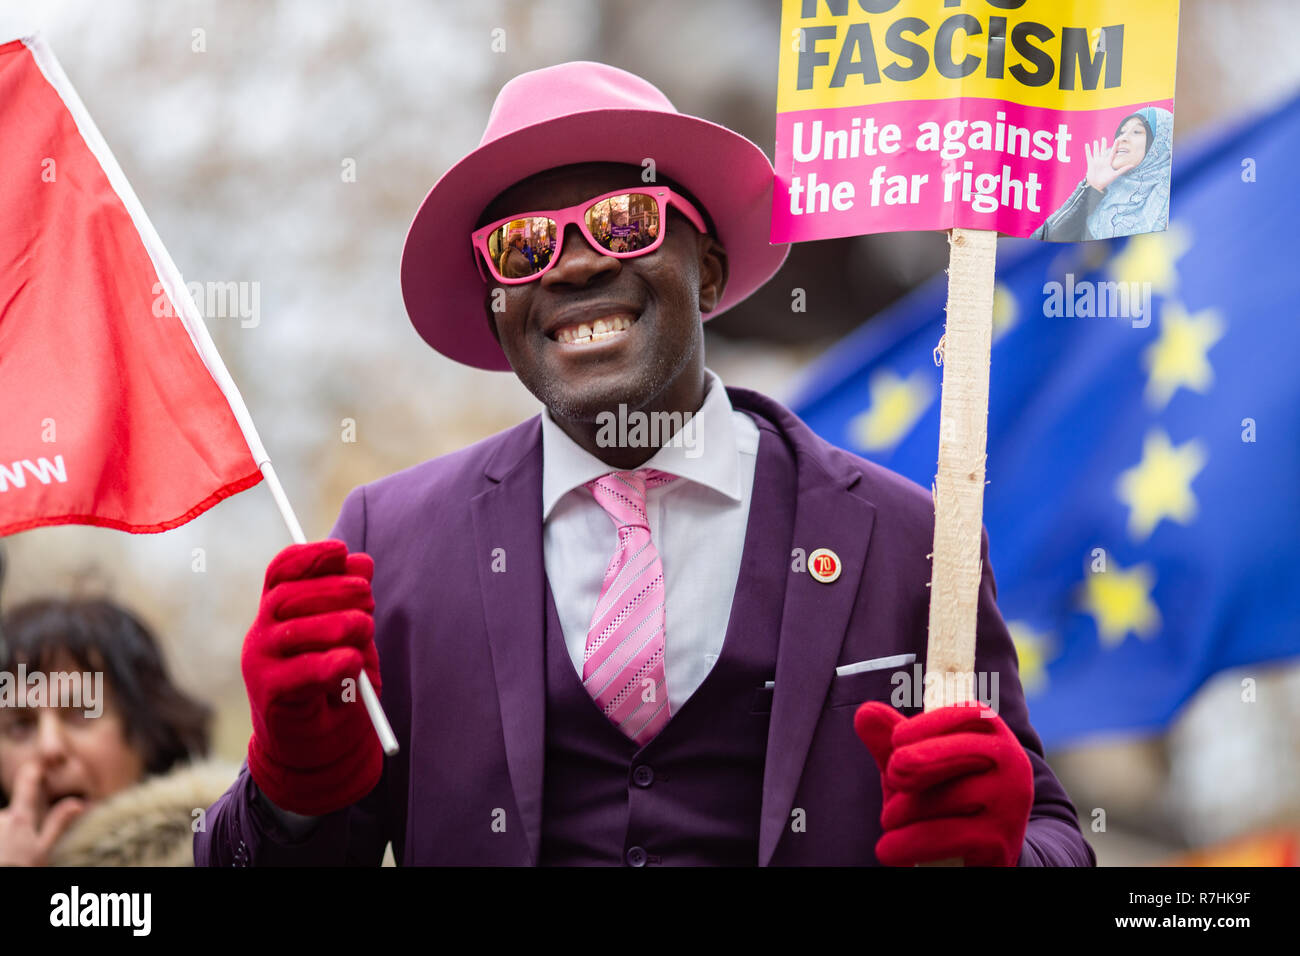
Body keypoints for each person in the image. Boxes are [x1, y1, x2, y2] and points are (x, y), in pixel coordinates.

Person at [196, 62, 1095, 867]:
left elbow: (1054, 835)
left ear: (705, 272)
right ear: (501, 309)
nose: (576, 265)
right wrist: (289, 792)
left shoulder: (907, 541)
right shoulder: (387, 544)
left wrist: (1010, 856)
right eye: (523, 247)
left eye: (625, 223)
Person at [0, 597, 235, 865]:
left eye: (81, 713)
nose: (50, 747)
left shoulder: (228, 850)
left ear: (149, 731)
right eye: (20, 726)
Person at [1033, 106, 1173, 241]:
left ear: (1159, 143)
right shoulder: (1100, 191)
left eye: (1137, 132)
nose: (1122, 138)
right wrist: (1090, 187)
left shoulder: (1176, 197)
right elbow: (1041, 242)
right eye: (1121, 132)